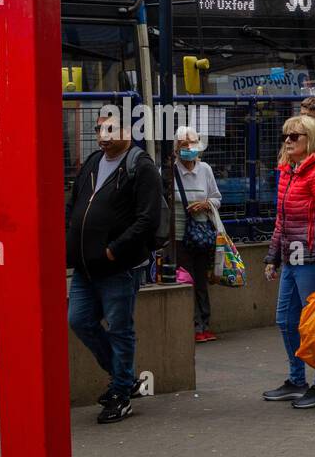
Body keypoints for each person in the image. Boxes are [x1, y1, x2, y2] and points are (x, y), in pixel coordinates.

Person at [65, 113, 162, 424]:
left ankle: (121, 392)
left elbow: (147, 219)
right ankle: (125, 377)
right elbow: (75, 203)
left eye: (110, 129)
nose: (103, 135)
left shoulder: (140, 166)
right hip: (84, 265)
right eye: (99, 129)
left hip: (117, 266)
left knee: (120, 329)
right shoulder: (93, 161)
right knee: (79, 321)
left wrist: (114, 249)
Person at [262, 114, 315, 409]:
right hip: (292, 259)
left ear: (310, 140)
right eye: (285, 136)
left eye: (294, 136)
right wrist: (273, 256)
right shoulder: (288, 172)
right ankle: (297, 380)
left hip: (312, 260)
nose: (287, 141)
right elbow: (281, 220)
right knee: (286, 320)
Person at [171, 126, 221, 344]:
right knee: (185, 280)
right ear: (176, 148)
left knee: (201, 280)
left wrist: (206, 204)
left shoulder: (205, 169)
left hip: (202, 235)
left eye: (193, 144)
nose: (189, 149)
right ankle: (191, 325)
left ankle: (204, 324)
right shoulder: (170, 172)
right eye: (184, 145)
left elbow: (217, 197)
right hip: (179, 236)